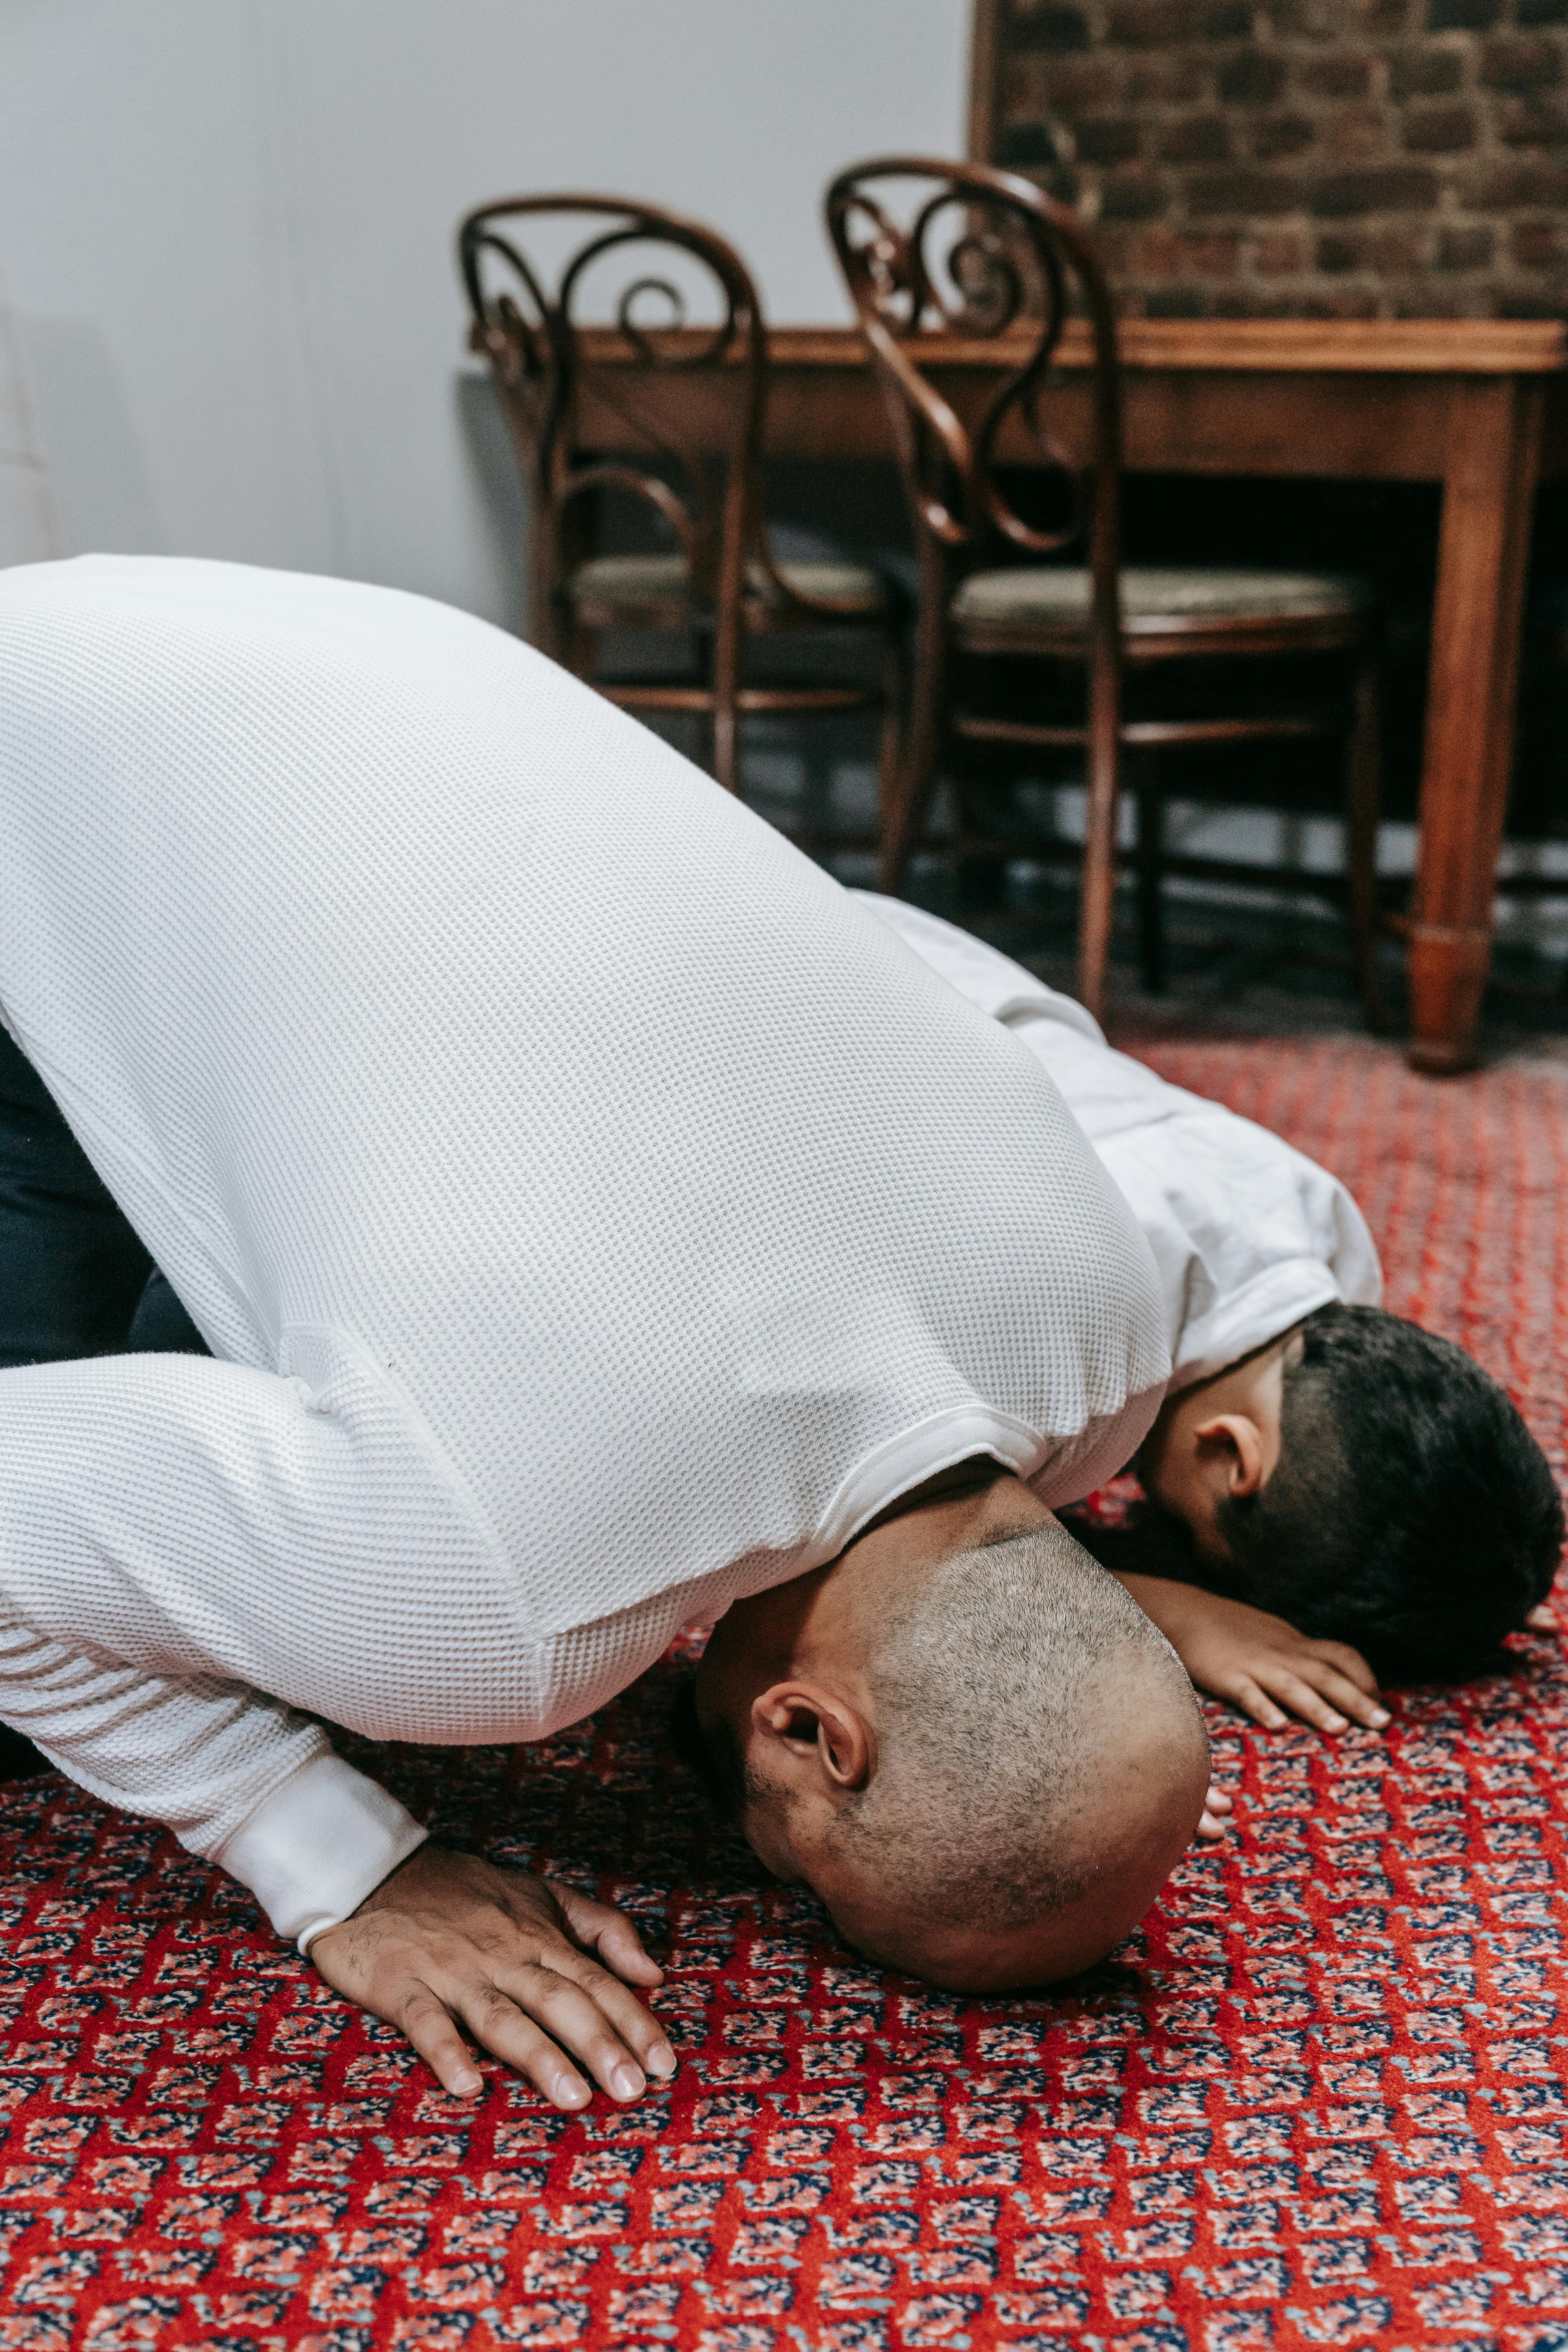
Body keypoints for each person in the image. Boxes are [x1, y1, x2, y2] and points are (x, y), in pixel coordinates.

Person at [0, 555, 1209, 2111]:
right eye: (810, 1885)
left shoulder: (1109, 1333)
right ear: (809, 1734)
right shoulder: (497, 1617)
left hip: (344, 655)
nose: (768, 1877)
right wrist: (333, 1858)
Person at [857, 897, 1564, 1737]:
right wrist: (1168, 1607)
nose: (1164, 1533)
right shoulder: (1050, 1339)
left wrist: (1473, 1568)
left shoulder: (1321, 1230)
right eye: (1191, 1539)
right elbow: (886, 1548)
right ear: (1231, 1454)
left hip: (908, 944)